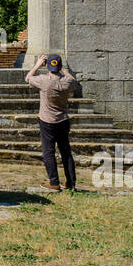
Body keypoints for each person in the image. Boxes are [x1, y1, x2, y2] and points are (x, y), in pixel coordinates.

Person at [25, 53, 82, 192]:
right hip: (63, 120)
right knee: (65, 152)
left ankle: (54, 182)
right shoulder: (67, 82)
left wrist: (38, 64)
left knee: (48, 152)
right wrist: (64, 70)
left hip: (47, 120)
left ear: (47, 66)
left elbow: (28, 78)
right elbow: (74, 81)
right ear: (60, 66)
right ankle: (70, 182)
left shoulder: (44, 80)